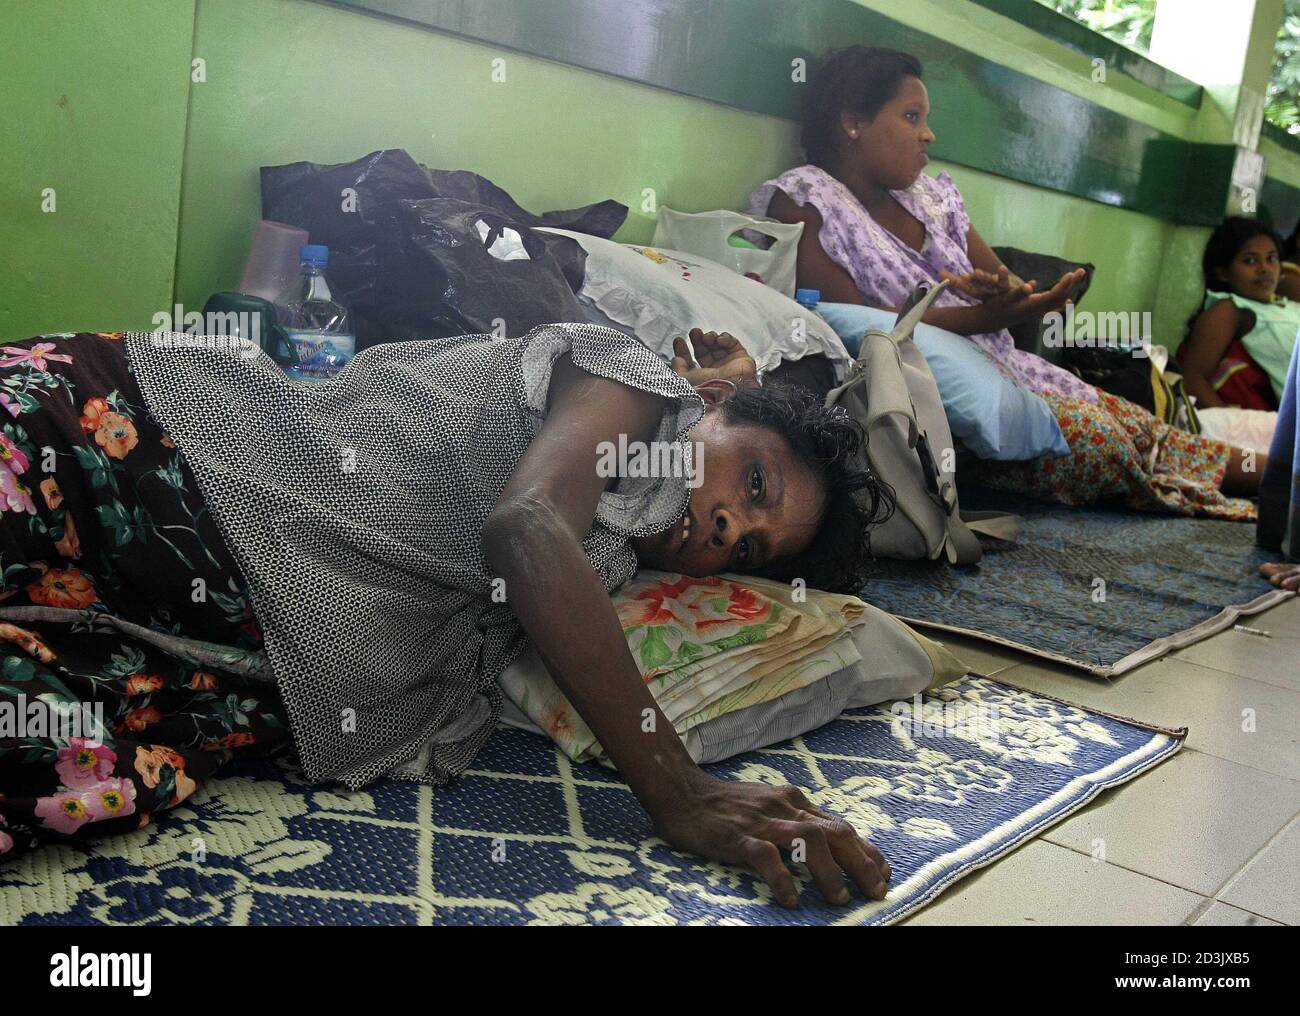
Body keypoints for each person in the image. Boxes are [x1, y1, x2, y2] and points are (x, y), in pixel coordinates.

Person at [0, 324, 894, 907]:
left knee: (58, 766)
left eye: (750, 550)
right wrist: (679, 786)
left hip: (195, 645)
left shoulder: (613, 562)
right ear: (712, 411)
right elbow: (524, 527)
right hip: (142, 443)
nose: (732, 525)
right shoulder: (626, 380)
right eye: (753, 481)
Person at [751, 45, 1261, 520]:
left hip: (1010, 368)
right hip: (938, 409)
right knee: (1109, 444)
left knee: (1141, 423)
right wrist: (987, 316)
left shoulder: (932, 199)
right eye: (912, 118)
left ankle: (1277, 477)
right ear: (853, 123)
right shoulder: (807, 200)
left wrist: (1018, 296)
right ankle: (1262, 485)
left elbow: (1004, 282)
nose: (928, 135)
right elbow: (855, 331)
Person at [1181, 217, 1300, 411]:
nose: (1265, 269)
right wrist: (1235, 428)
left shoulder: (1288, 305)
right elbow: (1192, 379)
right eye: (1250, 261)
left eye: (1272, 258)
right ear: (1223, 272)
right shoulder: (1231, 308)